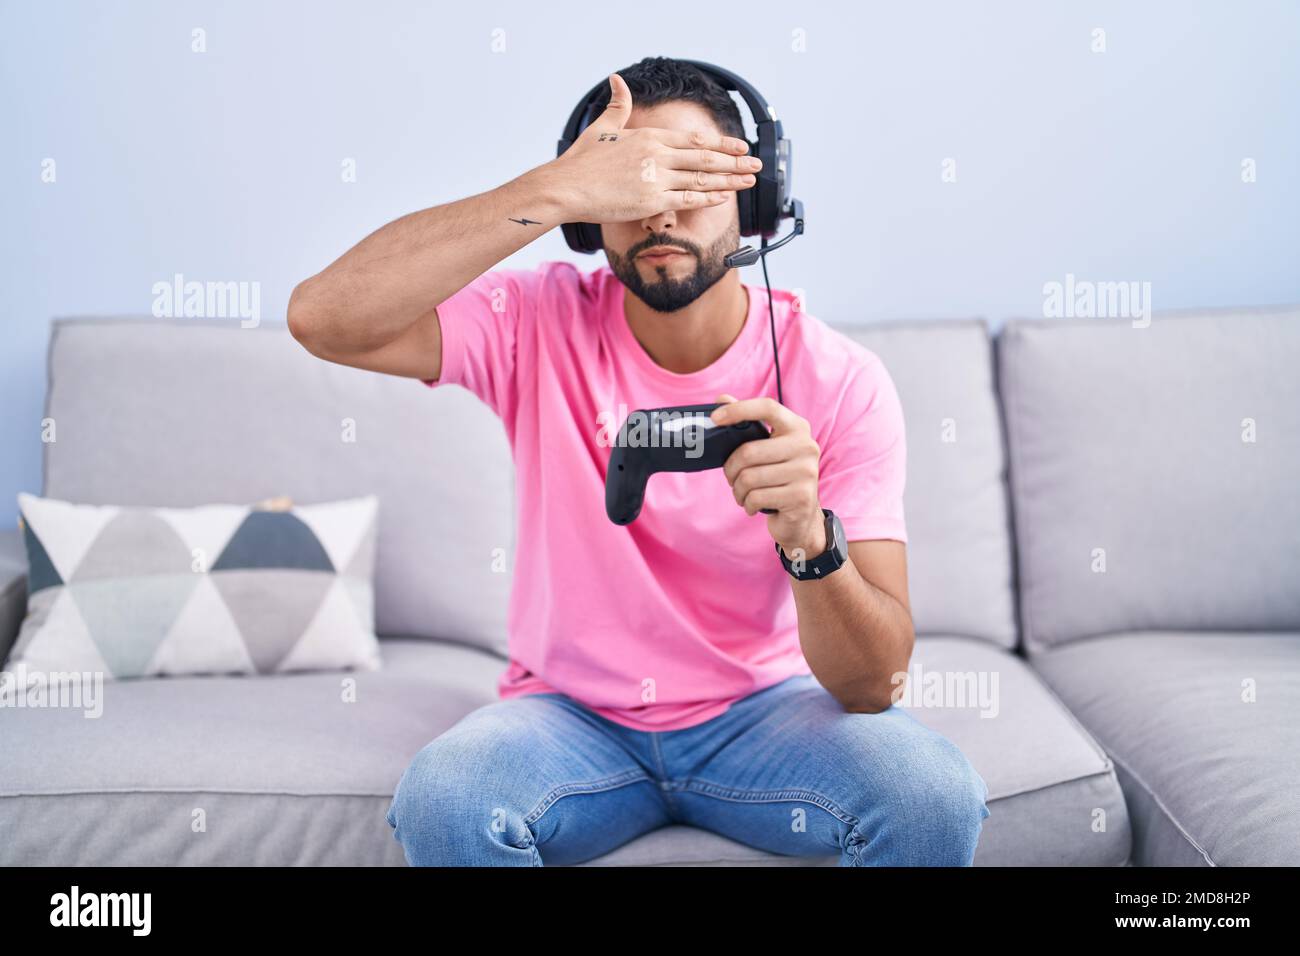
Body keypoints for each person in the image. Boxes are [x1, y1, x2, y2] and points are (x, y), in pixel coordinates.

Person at [288, 56, 991, 866]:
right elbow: (322, 319)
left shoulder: (839, 380)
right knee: (447, 800)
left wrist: (808, 536)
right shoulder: (534, 322)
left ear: (753, 199)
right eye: (631, 186)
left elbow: (875, 686)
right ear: (591, 217)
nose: (658, 213)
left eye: (687, 179)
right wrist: (549, 189)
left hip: (765, 714)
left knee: (931, 797)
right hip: (568, 721)